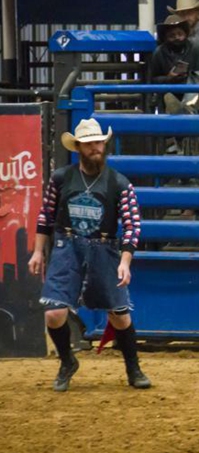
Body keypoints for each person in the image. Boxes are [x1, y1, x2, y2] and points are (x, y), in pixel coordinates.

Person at [28, 119, 150, 392]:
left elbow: (132, 224)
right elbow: (46, 214)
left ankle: (133, 367)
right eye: (90, 143)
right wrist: (38, 251)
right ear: (79, 147)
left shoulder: (119, 183)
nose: (96, 148)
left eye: (99, 143)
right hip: (67, 245)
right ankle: (67, 361)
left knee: (119, 314)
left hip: (103, 248)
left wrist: (125, 261)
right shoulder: (61, 178)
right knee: (54, 313)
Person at [151, 15, 199, 115]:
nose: (177, 38)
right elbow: (152, 80)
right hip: (168, 93)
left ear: (186, 33)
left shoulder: (196, 48)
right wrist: (168, 78)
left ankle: (188, 107)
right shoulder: (159, 53)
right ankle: (177, 108)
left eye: (180, 34)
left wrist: (190, 76)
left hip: (194, 91)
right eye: (172, 36)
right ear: (165, 37)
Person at [168, 0, 199, 64]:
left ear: (198, 14)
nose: (186, 17)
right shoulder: (176, 36)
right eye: (182, 14)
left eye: (189, 12)